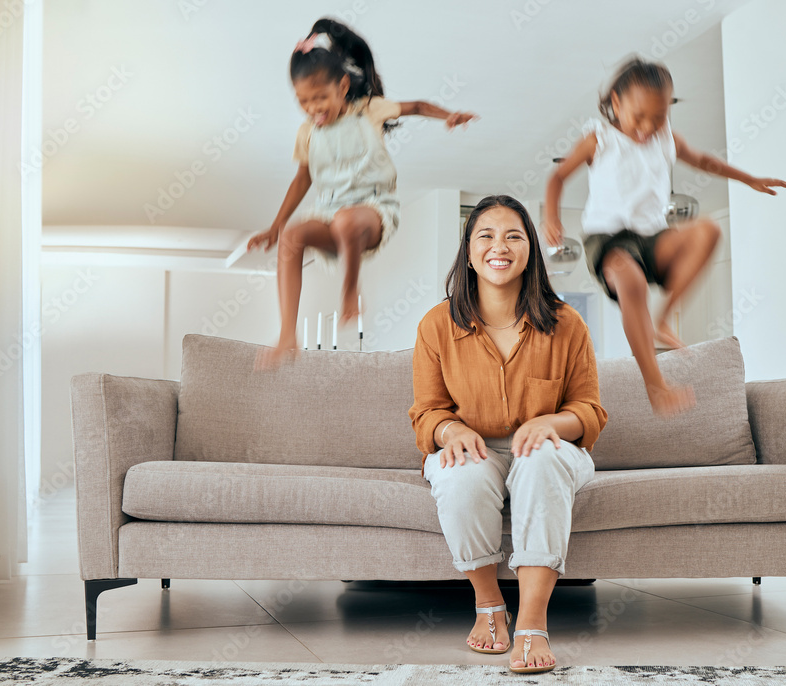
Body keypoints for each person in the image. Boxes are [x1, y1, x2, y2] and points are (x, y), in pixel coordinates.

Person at [408, 195, 607, 673]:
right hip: (474, 449)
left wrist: (548, 423)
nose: (500, 246)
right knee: (461, 474)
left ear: (530, 250)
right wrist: (450, 428)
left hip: (551, 448)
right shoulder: (437, 325)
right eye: (487, 236)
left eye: (514, 236)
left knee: (539, 459)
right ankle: (490, 604)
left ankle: (533, 620)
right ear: (469, 250)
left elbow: (590, 411)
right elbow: (426, 413)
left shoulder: (566, 324)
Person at [543, 56, 786, 415]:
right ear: (616, 103)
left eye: (658, 117)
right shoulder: (600, 138)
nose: (648, 127)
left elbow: (706, 162)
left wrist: (748, 178)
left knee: (708, 229)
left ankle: (663, 318)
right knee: (632, 283)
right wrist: (552, 217)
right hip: (608, 239)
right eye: (638, 116)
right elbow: (557, 177)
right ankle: (655, 384)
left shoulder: (665, 139)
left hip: (652, 238)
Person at [248, 18, 477, 369]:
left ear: (341, 86)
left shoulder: (369, 110)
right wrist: (276, 226)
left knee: (347, 220)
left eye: (320, 98)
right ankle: (286, 334)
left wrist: (448, 115)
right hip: (330, 213)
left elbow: (415, 106)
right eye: (303, 101)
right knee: (294, 237)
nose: (313, 108)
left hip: (374, 209)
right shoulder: (307, 133)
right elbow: (302, 179)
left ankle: (350, 291)